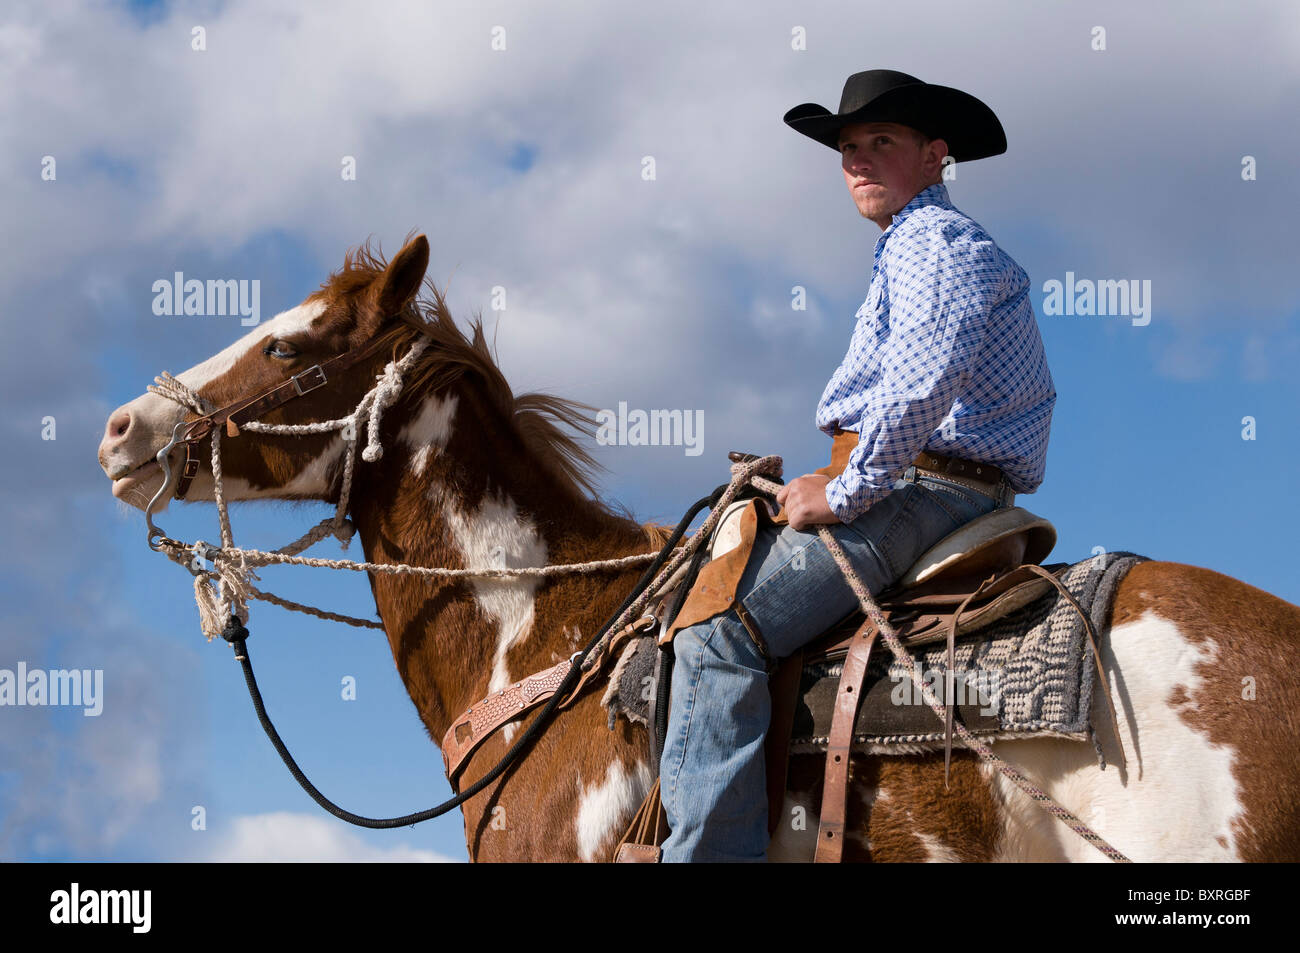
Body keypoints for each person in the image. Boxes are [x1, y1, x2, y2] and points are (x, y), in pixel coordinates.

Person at [656, 70, 1057, 862]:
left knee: (716, 631)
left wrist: (844, 490)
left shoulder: (932, 243)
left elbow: (922, 381)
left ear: (935, 156)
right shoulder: (913, 247)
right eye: (848, 149)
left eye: (882, 142)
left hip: (923, 487)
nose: (860, 162)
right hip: (933, 480)